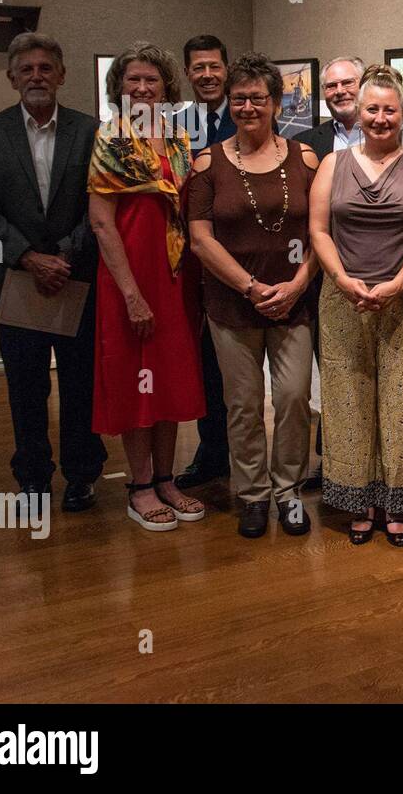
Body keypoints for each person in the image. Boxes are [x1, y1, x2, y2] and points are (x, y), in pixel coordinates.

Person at [0, 32, 108, 514]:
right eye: (26, 69)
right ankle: (32, 479)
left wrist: (64, 256)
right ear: (12, 78)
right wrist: (29, 257)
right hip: (15, 280)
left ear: (62, 75)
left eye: (45, 68)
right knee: (26, 387)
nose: (36, 77)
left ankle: (83, 475)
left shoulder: (89, 131)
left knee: (79, 383)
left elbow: (99, 204)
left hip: (77, 277)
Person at [308, 66, 403, 546]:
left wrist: (397, 283)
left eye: (390, 109)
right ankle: (358, 501)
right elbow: (319, 230)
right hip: (342, 299)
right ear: (358, 112)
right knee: (349, 400)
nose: (381, 118)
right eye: (372, 109)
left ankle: (398, 501)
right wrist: (344, 281)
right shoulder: (333, 164)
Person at [187, 53, 320, 538]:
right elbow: (200, 239)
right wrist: (249, 285)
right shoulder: (207, 163)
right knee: (242, 405)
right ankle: (253, 494)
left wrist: (298, 283)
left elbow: (322, 233)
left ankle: (288, 491)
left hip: (294, 303)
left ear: (276, 104)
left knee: (291, 399)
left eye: (257, 98)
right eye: (239, 98)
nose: (247, 106)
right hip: (230, 305)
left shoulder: (306, 159)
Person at [87, 42, 207, 531]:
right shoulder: (110, 139)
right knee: (136, 379)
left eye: (151, 80)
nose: (141, 88)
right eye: (132, 80)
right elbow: (101, 223)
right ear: (119, 87)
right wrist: (132, 294)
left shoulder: (177, 139)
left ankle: (166, 477)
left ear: (165, 87)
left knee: (170, 378)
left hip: (175, 275)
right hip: (130, 278)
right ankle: (139, 485)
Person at [296, 55, 366, 488]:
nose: (339, 91)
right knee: (335, 370)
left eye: (348, 83)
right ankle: (335, 462)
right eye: (331, 86)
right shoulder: (308, 143)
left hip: (387, 269)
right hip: (326, 273)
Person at [174, 34, 234, 490]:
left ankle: (254, 455)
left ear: (226, 68)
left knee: (242, 365)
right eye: (198, 68)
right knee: (204, 359)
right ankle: (213, 450)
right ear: (188, 73)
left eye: (214, 66)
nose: (208, 75)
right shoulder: (175, 126)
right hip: (189, 259)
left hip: (242, 257)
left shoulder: (249, 115)